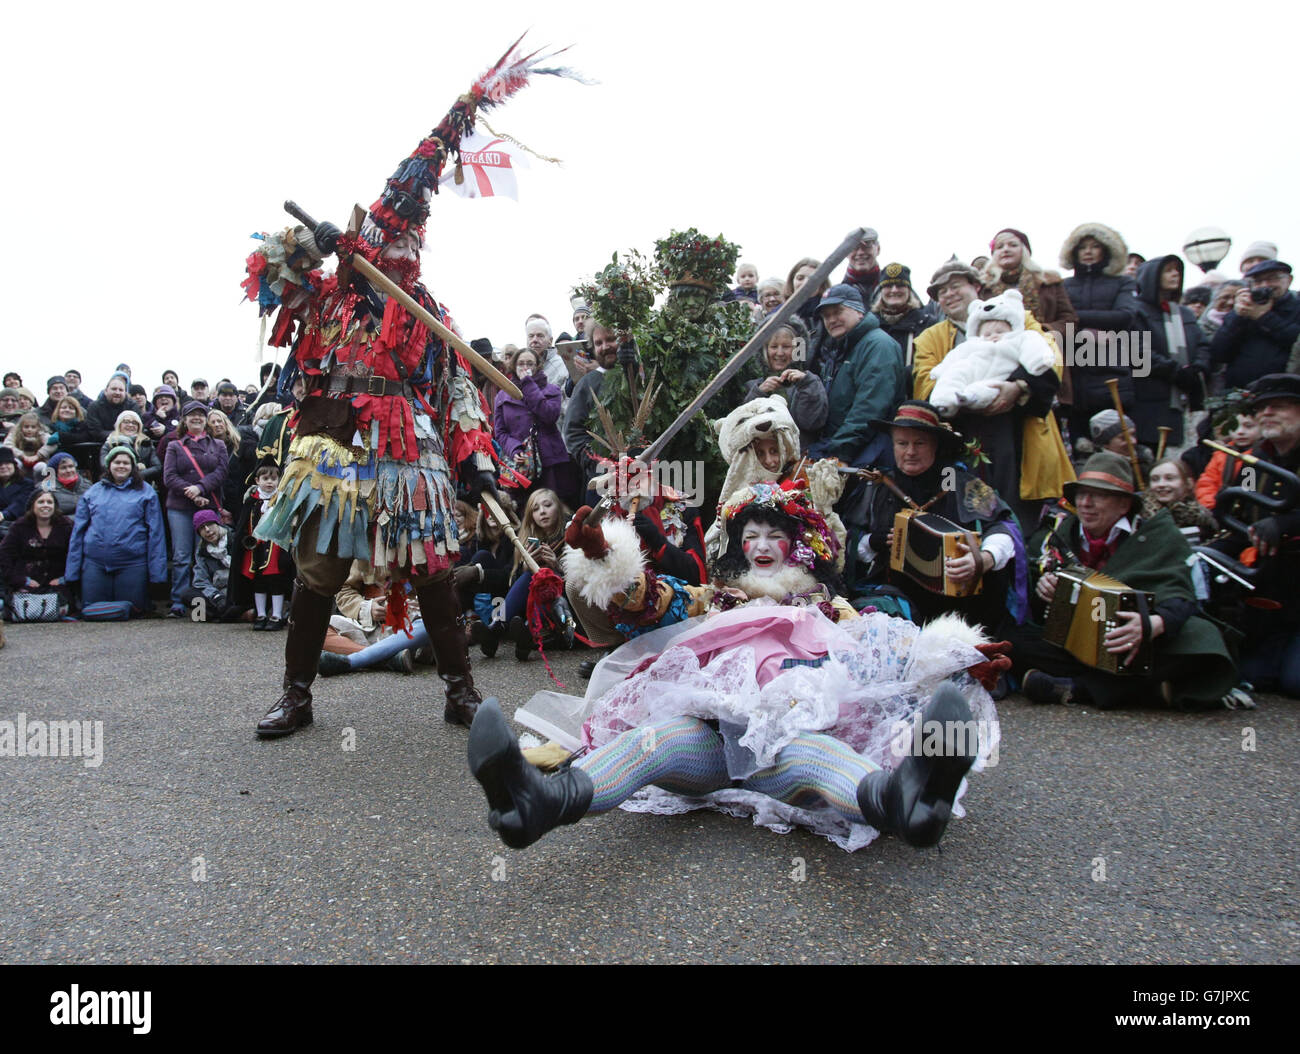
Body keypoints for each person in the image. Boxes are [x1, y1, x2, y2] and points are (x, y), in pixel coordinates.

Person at [241, 41, 579, 737]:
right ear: (367, 244)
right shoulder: (329, 296)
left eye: (406, 246)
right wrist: (314, 248)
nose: (397, 253)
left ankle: (461, 692)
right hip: (330, 447)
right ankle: (296, 695)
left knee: (431, 568)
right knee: (317, 571)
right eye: (386, 243)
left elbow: (458, 391)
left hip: (406, 453)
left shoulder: (426, 313)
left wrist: (476, 460)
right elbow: (272, 272)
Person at [469, 482, 1001, 852]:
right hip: (710, 740)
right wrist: (605, 555)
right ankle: (539, 803)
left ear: (798, 545)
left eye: (775, 534)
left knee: (814, 756)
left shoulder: (826, 606)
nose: (762, 545)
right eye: (752, 535)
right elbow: (653, 600)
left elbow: (880, 649)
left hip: (785, 741)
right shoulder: (720, 599)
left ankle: (905, 802)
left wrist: (954, 659)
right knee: (649, 744)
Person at [1011, 451, 1237, 709]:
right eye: (1081, 494)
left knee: (1202, 639)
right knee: (1013, 639)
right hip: (1077, 642)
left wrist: (1152, 624)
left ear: (1124, 504)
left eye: (1099, 495)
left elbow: (1182, 596)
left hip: (1135, 643)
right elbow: (1041, 581)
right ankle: (1143, 690)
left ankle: (1078, 688)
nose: (1085, 503)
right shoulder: (1063, 531)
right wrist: (1046, 587)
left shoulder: (1158, 534)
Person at [913, 261, 1073, 531]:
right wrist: (967, 400)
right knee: (966, 513)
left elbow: (1048, 357)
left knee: (1019, 515)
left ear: (976, 286)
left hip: (1020, 431)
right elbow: (925, 382)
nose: (949, 294)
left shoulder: (1018, 317)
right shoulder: (930, 337)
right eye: (941, 292)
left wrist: (1018, 387)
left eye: (955, 286)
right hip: (965, 434)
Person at [845, 402, 1024, 633]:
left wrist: (983, 559)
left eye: (920, 443)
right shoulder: (878, 485)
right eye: (902, 443)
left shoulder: (957, 481)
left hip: (962, 607)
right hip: (895, 601)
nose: (910, 452)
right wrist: (872, 542)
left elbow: (1003, 527)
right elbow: (846, 540)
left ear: (935, 445)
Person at [1207, 374, 1300, 696]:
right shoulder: (1251, 463)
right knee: (1253, 678)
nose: (1266, 413)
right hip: (1270, 589)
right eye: (1261, 408)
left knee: (1294, 684)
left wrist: (1286, 524)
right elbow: (1241, 522)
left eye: (1279, 406)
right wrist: (1209, 553)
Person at [1058, 223, 1140, 450]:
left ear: (1106, 250)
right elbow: (1054, 322)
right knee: (1079, 448)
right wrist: (1083, 332)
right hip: (1074, 375)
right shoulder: (1064, 286)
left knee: (1119, 444)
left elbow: (1125, 316)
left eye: (1095, 246)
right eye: (1082, 247)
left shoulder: (1123, 282)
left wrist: (1074, 318)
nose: (1088, 251)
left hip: (1112, 373)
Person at [806, 284, 907, 466]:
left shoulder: (879, 346)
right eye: (826, 316)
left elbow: (869, 408)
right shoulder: (839, 348)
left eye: (838, 312)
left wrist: (840, 453)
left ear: (859, 311)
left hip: (866, 453)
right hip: (838, 445)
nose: (832, 320)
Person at [980, 228, 1077, 406]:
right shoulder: (984, 289)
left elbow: (1069, 319)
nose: (1005, 249)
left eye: (1012, 245)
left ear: (1024, 250)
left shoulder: (1048, 281)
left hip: (1046, 354)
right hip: (1002, 359)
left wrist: (1045, 332)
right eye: (1000, 247)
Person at [65, 446, 167, 615]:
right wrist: (72, 571)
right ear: (109, 465)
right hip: (95, 562)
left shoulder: (146, 492)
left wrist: (157, 573)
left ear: (133, 467)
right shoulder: (92, 492)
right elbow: (78, 532)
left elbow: (156, 533)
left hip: (132, 563)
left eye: (126, 463)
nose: (121, 466)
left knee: (133, 610)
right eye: (117, 462)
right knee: (91, 610)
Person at [1131, 255, 1208, 449]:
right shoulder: (1136, 311)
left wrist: (1198, 368)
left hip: (1186, 399)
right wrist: (1176, 372)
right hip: (1150, 400)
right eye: (1168, 270)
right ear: (1151, 276)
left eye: (1177, 270)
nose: (1175, 274)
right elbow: (1138, 352)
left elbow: (1202, 345)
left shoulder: (1185, 313)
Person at [162, 401, 229, 616]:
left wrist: (200, 488)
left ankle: (207, 600)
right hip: (180, 507)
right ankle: (179, 601)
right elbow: (169, 476)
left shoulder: (218, 445)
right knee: (182, 555)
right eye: (192, 415)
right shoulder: (174, 446)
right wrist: (190, 492)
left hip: (207, 506)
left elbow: (221, 472)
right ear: (184, 420)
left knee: (206, 554)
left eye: (201, 414)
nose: (197, 418)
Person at [493, 347, 578, 510]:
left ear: (538, 366)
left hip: (550, 463)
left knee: (552, 508)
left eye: (530, 363)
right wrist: (514, 449)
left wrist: (528, 383)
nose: (525, 367)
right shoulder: (502, 396)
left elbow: (549, 416)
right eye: (521, 364)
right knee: (527, 510)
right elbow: (500, 432)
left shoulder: (552, 390)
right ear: (514, 366)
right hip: (522, 465)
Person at [739, 315, 828, 451]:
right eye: (774, 346)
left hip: (801, 458)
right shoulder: (753, 387)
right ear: (764, 350)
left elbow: (810, 423)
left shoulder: (809, 381)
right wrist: (759, 392)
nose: (779, 353)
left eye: (786, 347)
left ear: (797, 350)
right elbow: (743, 427)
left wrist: (806, 384)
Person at [1208, 260, 1300, 389]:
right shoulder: (1243, 310)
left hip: (1285, 391)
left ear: (1289, 280)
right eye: (1258, 281)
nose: (1265, 285)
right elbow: (1219, 353)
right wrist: (1237, 316)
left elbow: (1294, 340)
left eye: (1272, 279)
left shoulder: (1296, 308)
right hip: (1239, 392)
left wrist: (1264, 317)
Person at [234, 457, 294, 630]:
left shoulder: (283, 500)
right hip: (254, 548)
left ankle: (276, 615)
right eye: (265, 478)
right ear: (257, 480)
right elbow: (243, 524)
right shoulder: (251, 500)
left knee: (276, 581)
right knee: (258, 581)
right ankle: (260, 614)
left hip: (275, 547)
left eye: (273, 479)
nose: (269, 482)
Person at [0, 489, 73, 617]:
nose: (45, 505)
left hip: (58, 582)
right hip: (26, 581)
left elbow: (76, 554)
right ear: (32, 505)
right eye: (41, 502)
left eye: (49, 502)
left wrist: (65, 578)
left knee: (60, 608)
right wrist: (21, 580)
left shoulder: (67, 526)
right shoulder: (19, 527)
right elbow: (5, 555)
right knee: (23, 610)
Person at [869, 263, 931, 368]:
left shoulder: (926, 324)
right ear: (881, 291)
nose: (894, 290)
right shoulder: (870, 324)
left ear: (909, 290)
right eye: (888, 286)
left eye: (900, 285)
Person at [1142, 458, 1218, 541]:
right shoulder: (1140, 517)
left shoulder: (1201, 519)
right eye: (1155, 479)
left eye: (1169, 478)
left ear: (1188, 483)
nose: (1161, 484)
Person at [186, 509, 237, 620]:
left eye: (210, 524)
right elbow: (200, 580)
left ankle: (220, 615)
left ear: (218, 524)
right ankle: (229, 614)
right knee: (188, 595)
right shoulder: (202, 550)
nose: (207, 530)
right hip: (217, 592)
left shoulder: (235, 538)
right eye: (202, 528)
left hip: (236, 589)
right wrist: (216, 596)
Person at [98, 410, 161, 482]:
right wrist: (135, 468)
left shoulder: (146, 442)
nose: (130, 425)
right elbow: (105, 465)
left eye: (134, 423)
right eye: (126, 422)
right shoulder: (110, 443)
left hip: (141, 482)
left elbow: (157, 467)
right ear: (119, 425)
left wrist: (137, 476)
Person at [37, 452, 92, 517]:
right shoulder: (47, 488)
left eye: (71, 466)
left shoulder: (87, 485)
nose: (68, 470)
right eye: (63, 468)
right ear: (55, 472)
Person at [84, 372, 133, 444]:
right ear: (106, 391)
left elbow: (136, 429)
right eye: (114, 389)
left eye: (121, 390)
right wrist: (119, 436)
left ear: (125, 393)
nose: (117, 392)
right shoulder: (94, 407)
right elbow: (96, 432)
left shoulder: (132, 406)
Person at [841, 229, 881, 307]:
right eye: (854, 247)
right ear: (846, 253)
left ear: (878, 249)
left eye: (866, 246)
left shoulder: (892, 288)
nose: (860, 252)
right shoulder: (838, 295)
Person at [0, 447, 35, 531]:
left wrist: (4, 514)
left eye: (7, 463)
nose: (3, 467)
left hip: (18, 525)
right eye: (0, 464)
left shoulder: (27, 484)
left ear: (14, 465)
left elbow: (20, 504)